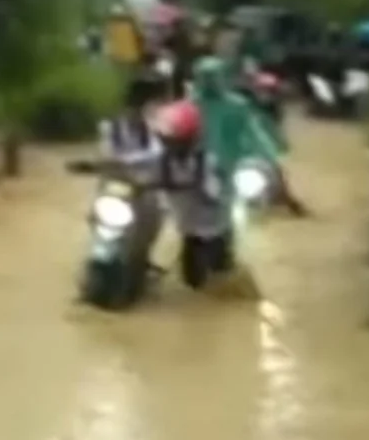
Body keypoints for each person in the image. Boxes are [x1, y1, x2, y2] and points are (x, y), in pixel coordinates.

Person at [190, 56, 309, 217]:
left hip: (226, 159)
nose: (211, 82)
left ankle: (288, 201)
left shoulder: (234, 104)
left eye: (213, 77)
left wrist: (270, 153)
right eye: (208, 78)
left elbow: (254, 132)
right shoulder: (194, 104)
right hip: (209, 160)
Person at [153, 98, 236, 288]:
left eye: (175, 140)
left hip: (215, 228)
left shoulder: (207, 161)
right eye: (166, 140)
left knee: (222, 277)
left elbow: (217, 191)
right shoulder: (162, 160)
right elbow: (141, 172)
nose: (170, 144)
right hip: (188, 229)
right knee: (193, 282)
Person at [96, 73, 166, 270]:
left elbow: (159, 151)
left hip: (143, 184)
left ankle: (142, 255)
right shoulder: (111, 125)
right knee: (99, 213)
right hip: (116, 183)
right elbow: (105, 150)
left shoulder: (153, 126)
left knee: (156, 214)